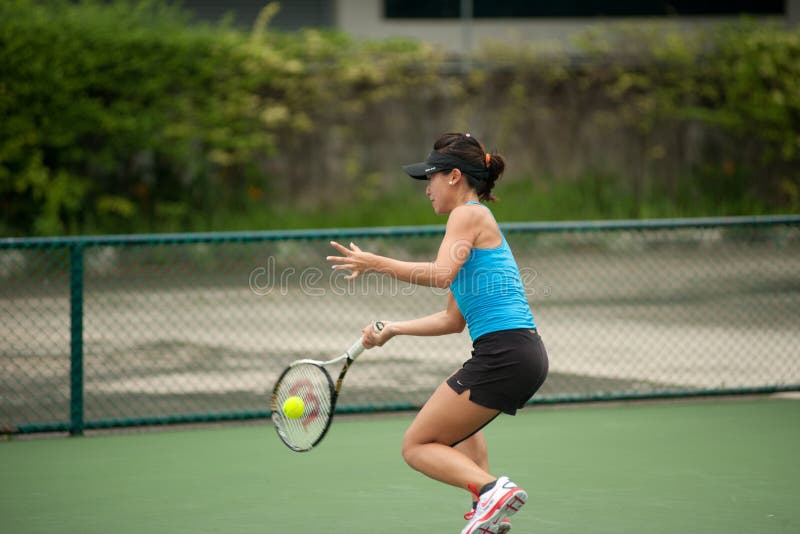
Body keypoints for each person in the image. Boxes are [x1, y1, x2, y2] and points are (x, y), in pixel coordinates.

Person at [327, 132, 548, 534]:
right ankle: (488, 513)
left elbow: (440, 273)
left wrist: (377, 262)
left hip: (505, 352)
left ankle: (490, 491)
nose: (426, 188)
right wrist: (394, 329)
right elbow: (453, 319)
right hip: (520, 354)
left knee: (416, 446)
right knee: (459, 431)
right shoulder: (473, 221)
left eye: (430, 177)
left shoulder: (466, 214)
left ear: (454, 177)